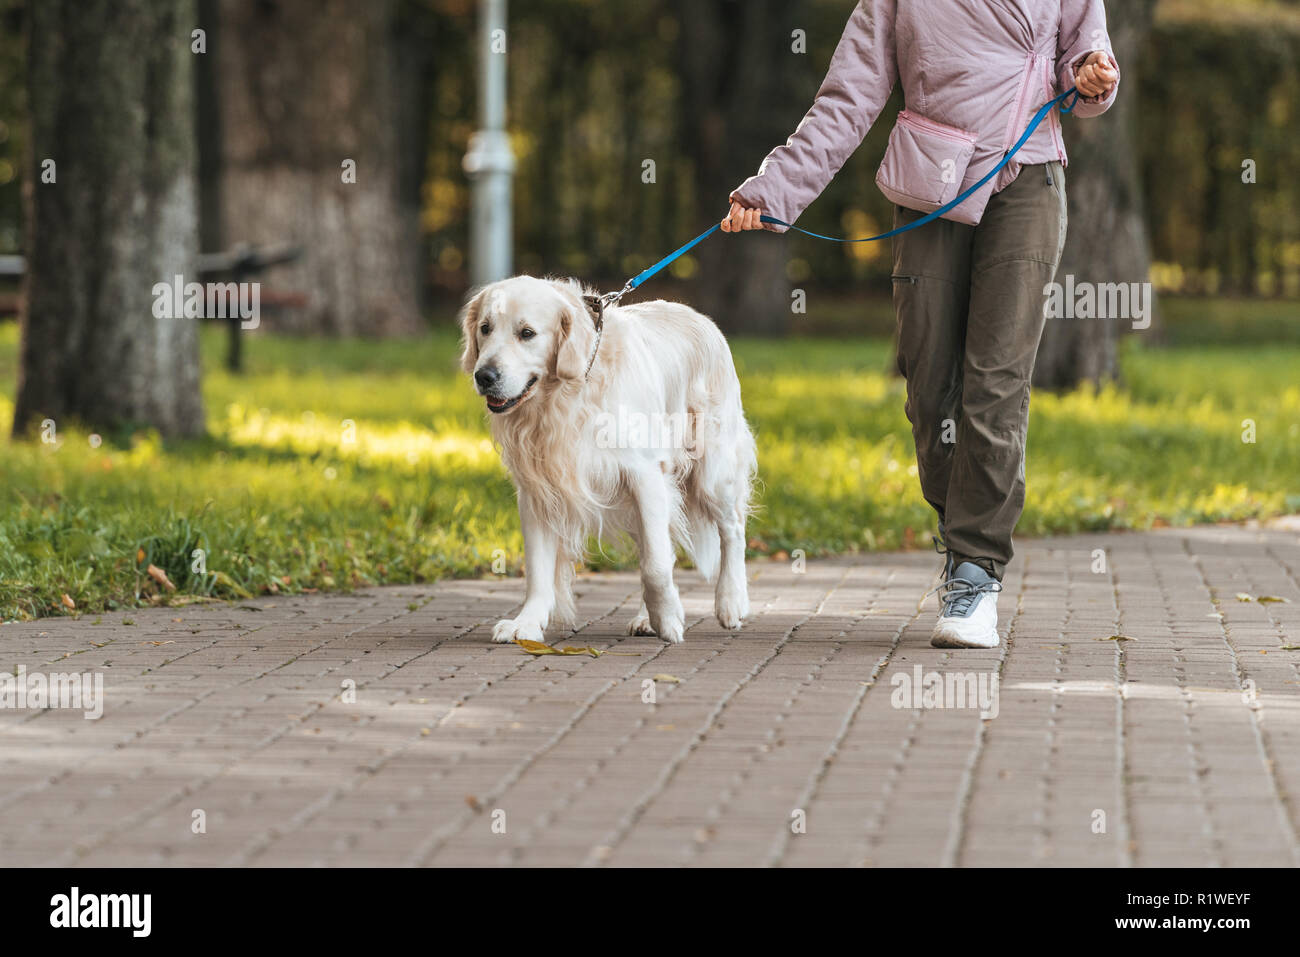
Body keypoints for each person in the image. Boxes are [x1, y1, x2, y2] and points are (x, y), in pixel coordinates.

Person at [722, 0, 1119, 649]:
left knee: (995, 381)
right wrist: (774, 190)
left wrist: (1093, 78)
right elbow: (847, 97)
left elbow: (1088, 65)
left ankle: (974, 567)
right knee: (930, 383)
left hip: (1026, 183)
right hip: (931, 181)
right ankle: (963, 522)